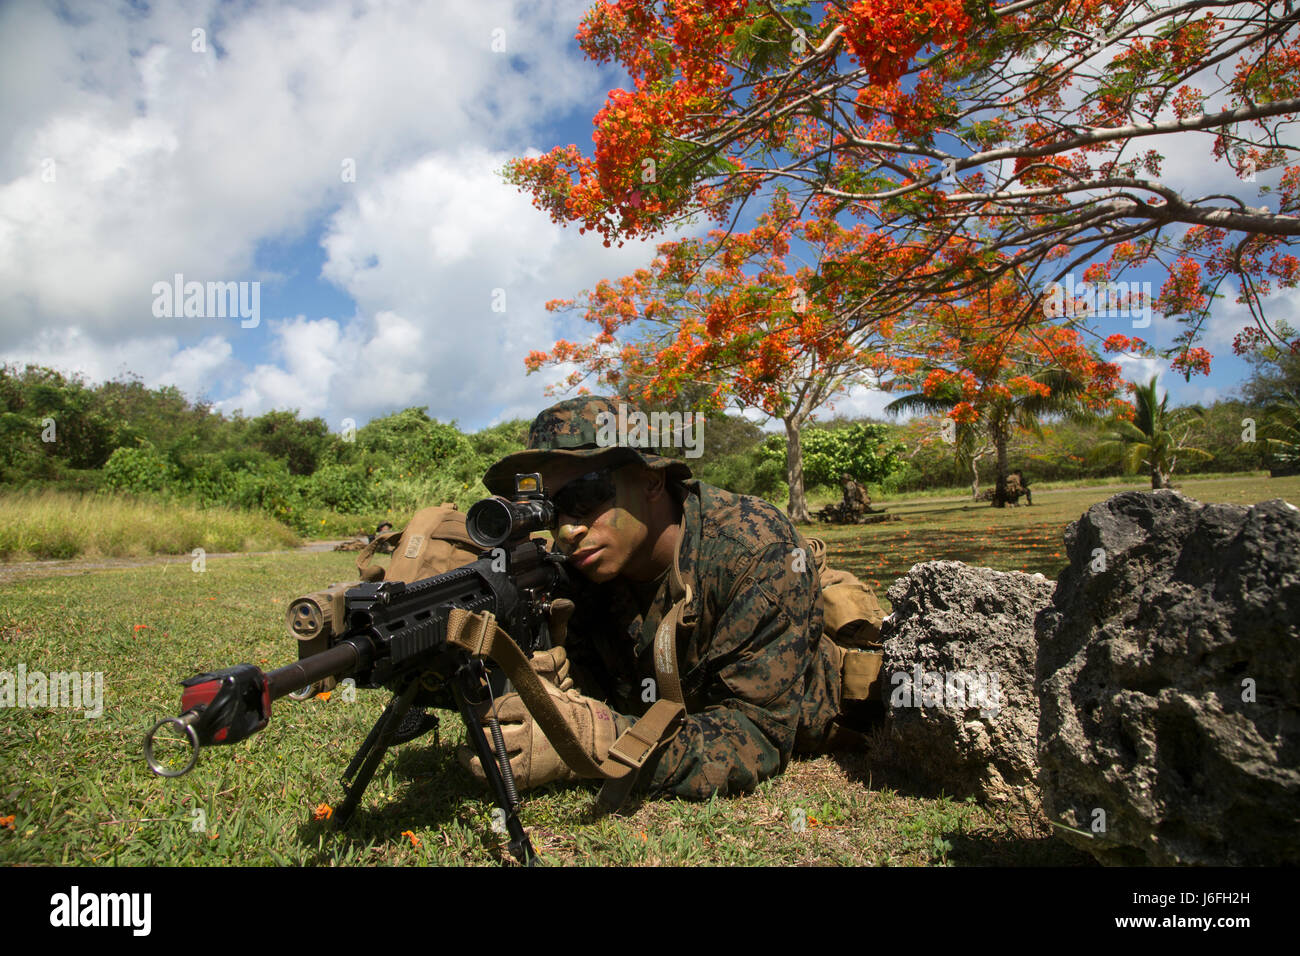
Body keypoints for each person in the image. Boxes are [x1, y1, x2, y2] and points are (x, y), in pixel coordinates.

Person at [461, 397, 842, 801]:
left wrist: (597, 742)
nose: (568, 531)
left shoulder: (756, 553)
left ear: (652, 481)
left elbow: (755, 738)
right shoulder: (580, 572)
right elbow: (609, 684)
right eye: (552, 511)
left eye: (584, 498)